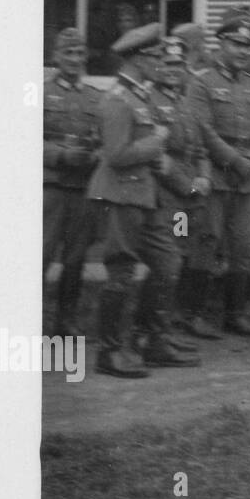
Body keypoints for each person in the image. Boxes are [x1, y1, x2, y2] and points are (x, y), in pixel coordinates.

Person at [85, 24, 174, 377]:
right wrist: (156, 144)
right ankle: (109, 353)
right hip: (119, 195)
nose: (159, 62)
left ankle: (145, 340)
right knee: (120, 271)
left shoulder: (140, 96)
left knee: (167, 264)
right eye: (154, 56)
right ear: (137, 59)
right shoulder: (118, 99)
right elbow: (117, 154)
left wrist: (156, 153)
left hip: (142, 195)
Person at [187, 15, 250, 337]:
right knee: (206, 241)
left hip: (247, 176)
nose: (242, 50)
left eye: (247, 45)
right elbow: (202, 130)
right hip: (217, 173)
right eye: (236, 43)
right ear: (221, 43)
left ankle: (235, 313)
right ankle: (193, 314)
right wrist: (235, 160)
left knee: (244, 246)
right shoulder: (202, 82)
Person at [136, 35, 210, 364]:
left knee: (175, 261)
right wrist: (189, 185)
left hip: (187, 199)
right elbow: (159, 160)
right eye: (166, 63)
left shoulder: (186, 103)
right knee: (166, 265)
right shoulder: (147, 101)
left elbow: (201, 147)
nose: (172, 70)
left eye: (178, 64)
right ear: (156, 66)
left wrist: (205, 177)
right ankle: (153, 338)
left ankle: (155, 333)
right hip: (162, 196)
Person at [42, 28, 102, 336]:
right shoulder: (40, 93)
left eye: (79, 54)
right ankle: (32, 321)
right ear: (55, 56)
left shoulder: (96, 97)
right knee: (40, 254)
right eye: (68, 53)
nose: (74, 59)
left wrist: (93, 156)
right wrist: (60, 156)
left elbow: (106, 142)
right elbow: (24, 139)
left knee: (76, 258)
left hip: (82, 189)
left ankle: (66, 320)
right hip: (50, 186)